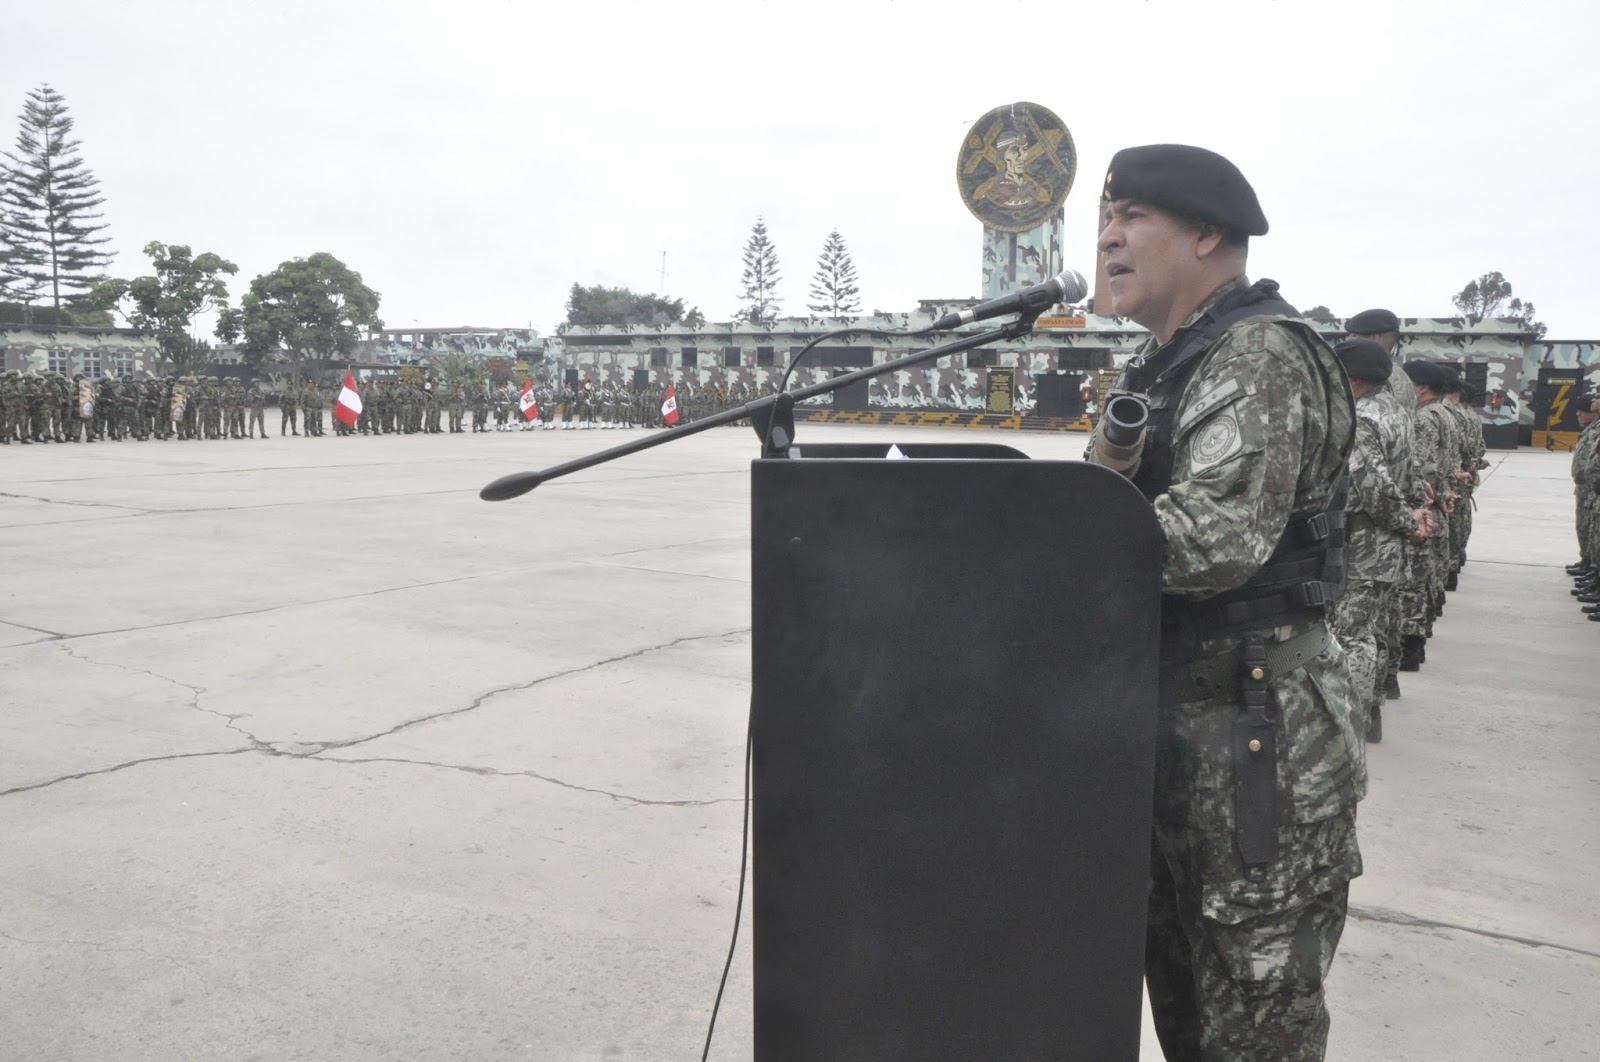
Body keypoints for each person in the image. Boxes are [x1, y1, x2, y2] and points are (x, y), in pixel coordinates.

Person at [1088, 143, 1360, 1060]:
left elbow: (1216, 538)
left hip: (1257, 737)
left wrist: (1040, 547)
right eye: (1103, 221)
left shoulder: (1259, 353)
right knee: (1189, 1016)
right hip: (1180, 721)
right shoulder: (1164, 364)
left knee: (1254, 1021)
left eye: (1132, 219)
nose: (1109, 239)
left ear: (1207, 235)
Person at [1329, 340, 1428, 744]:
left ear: (1353, 381)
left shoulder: (1364, 419)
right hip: (1386, 546)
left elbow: (1373, 488)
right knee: (1375, 629)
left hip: (1366, 542)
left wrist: (1408, 522)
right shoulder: (1398, 412)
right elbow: (1410, 470)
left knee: (1352, 635)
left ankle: (1349, 725)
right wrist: (1416, 509)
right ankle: (1371, 713)